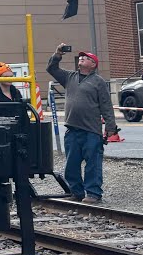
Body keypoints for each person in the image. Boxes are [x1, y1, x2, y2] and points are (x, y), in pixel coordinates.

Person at [46, 45, 119, 204]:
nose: (82, 58)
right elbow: (51, 68)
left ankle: (93, 193)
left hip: (91, 130)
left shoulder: (98, 82)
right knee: (71, 164)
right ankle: (76, 192)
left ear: (93, 64)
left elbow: (106, 105)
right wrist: (58, 53)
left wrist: (110, 127)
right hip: (72, 129)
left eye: (86, 58)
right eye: (81, 57)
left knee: (93, 164)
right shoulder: (69, 77)